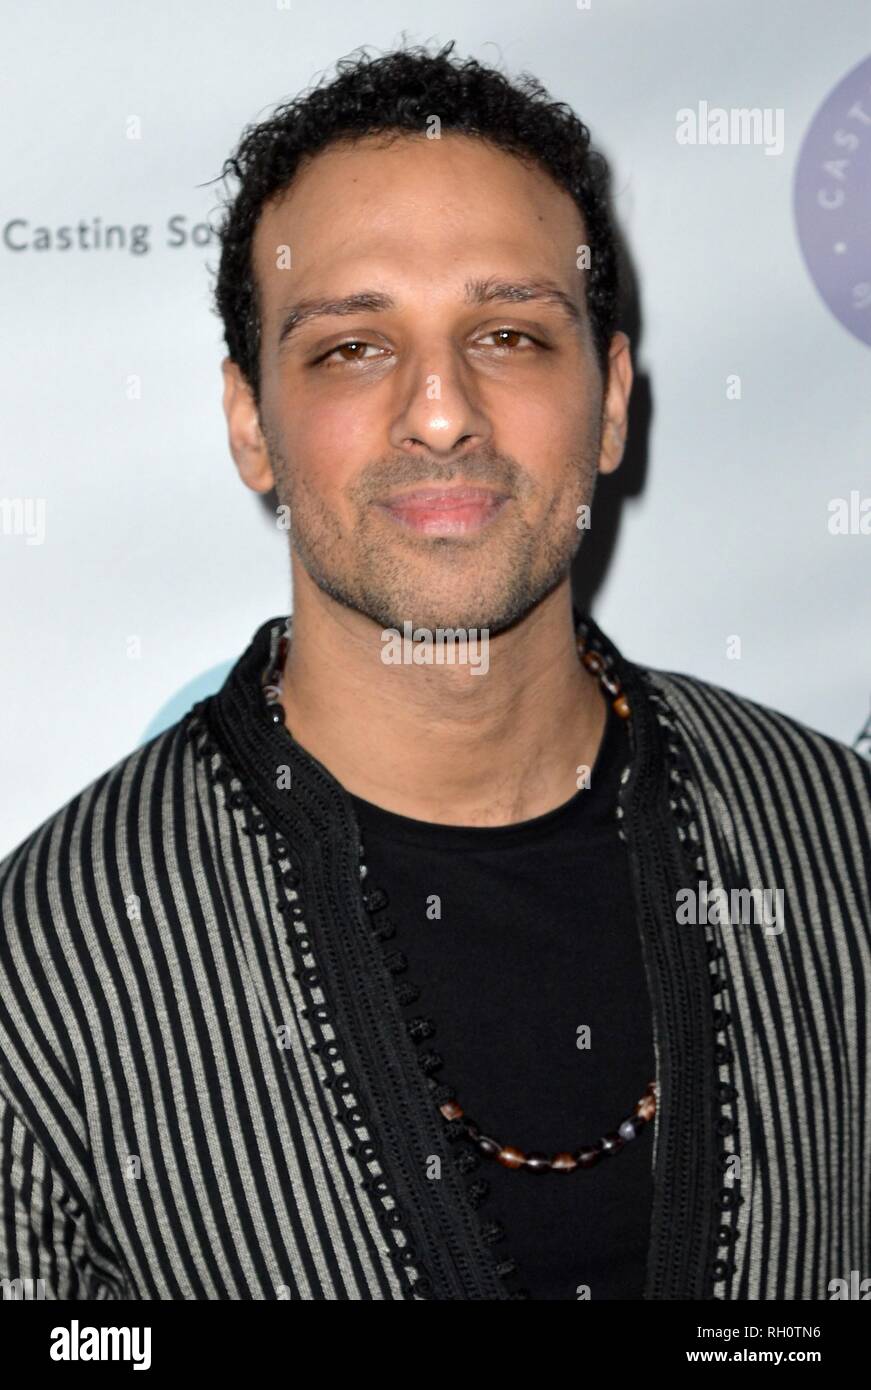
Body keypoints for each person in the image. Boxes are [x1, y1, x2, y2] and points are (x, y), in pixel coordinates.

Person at [0, 41, 868, 1302]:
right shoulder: (50, 973)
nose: (443, 409)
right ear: (249, 422)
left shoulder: (834, 843)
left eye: (509, 333)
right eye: (352, 347)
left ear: (612, 400)